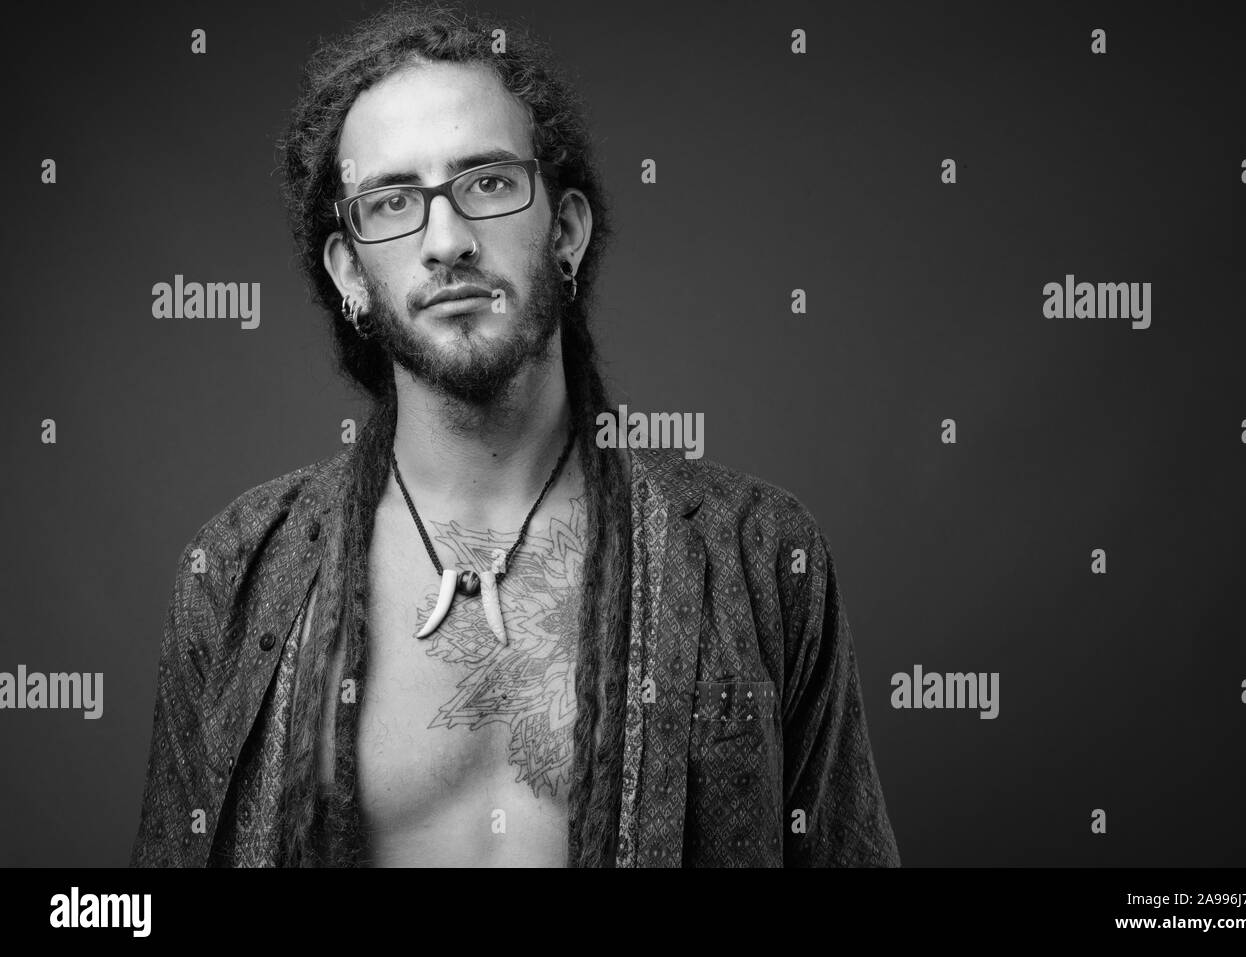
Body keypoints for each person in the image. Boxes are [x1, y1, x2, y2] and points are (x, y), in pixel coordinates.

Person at [129, 0, 900, 868]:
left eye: (488, 183)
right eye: (391, 202)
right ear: (349, 269)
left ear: (564, 230)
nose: (446, 240)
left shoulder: (758, 559)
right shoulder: (236, 572)